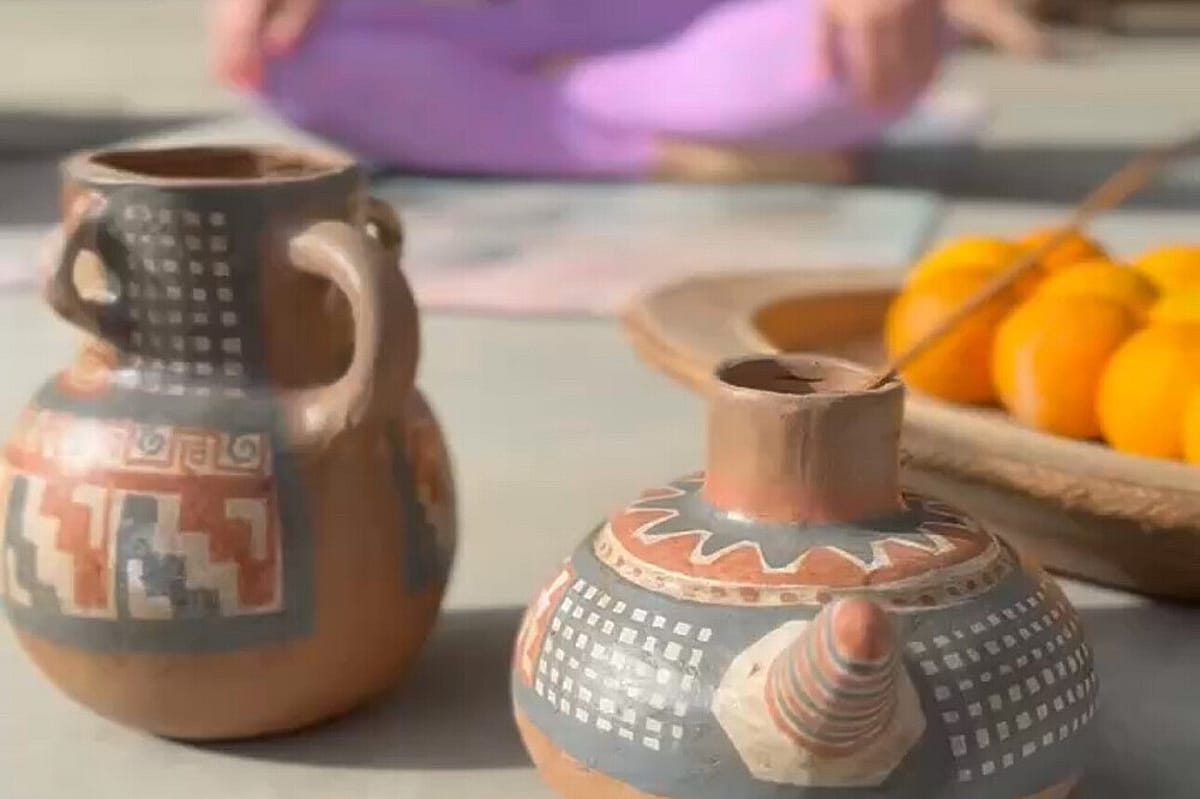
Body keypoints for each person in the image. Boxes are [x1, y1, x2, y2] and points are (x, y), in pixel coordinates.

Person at [208, 0, 1034, 178]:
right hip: (486, 20)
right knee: (288, 51)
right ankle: (666, 149)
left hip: (699, 23)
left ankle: (566, 105)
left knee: (872, 44)